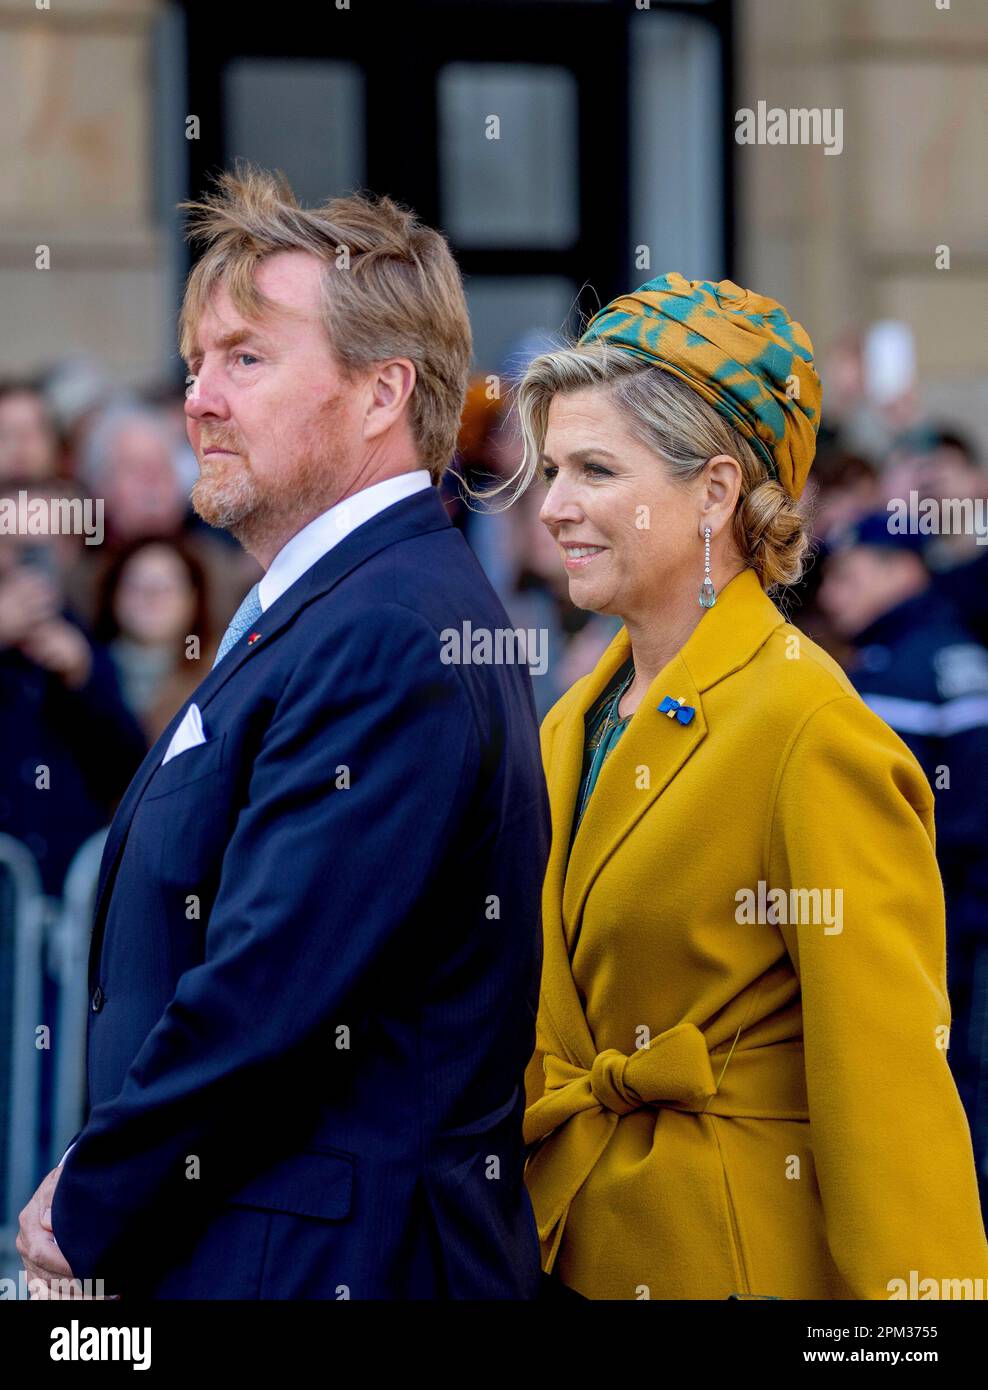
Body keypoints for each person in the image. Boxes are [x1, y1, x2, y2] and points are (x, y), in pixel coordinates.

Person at [17, 164, 550, 1300]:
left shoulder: (388, 629)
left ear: (380, 392)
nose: (198, 400)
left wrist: (91, 1200)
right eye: (196, 363)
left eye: (246, 358)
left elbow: (272, 985)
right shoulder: (336, 603)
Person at [512, 273, 988, 1299]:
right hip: (563, 1249)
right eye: (551, 469)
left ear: (716, 492)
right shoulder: (570, 719)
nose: (552, 507)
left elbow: (890, 1089)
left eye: (595, 469)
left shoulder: (809, 727)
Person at [819, 514, 988, 1208]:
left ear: (903, 571)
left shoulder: (896, 674)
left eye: (850, 577)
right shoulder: (956, 653)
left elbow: (868, 823)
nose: (833, 595)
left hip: (930, 918)